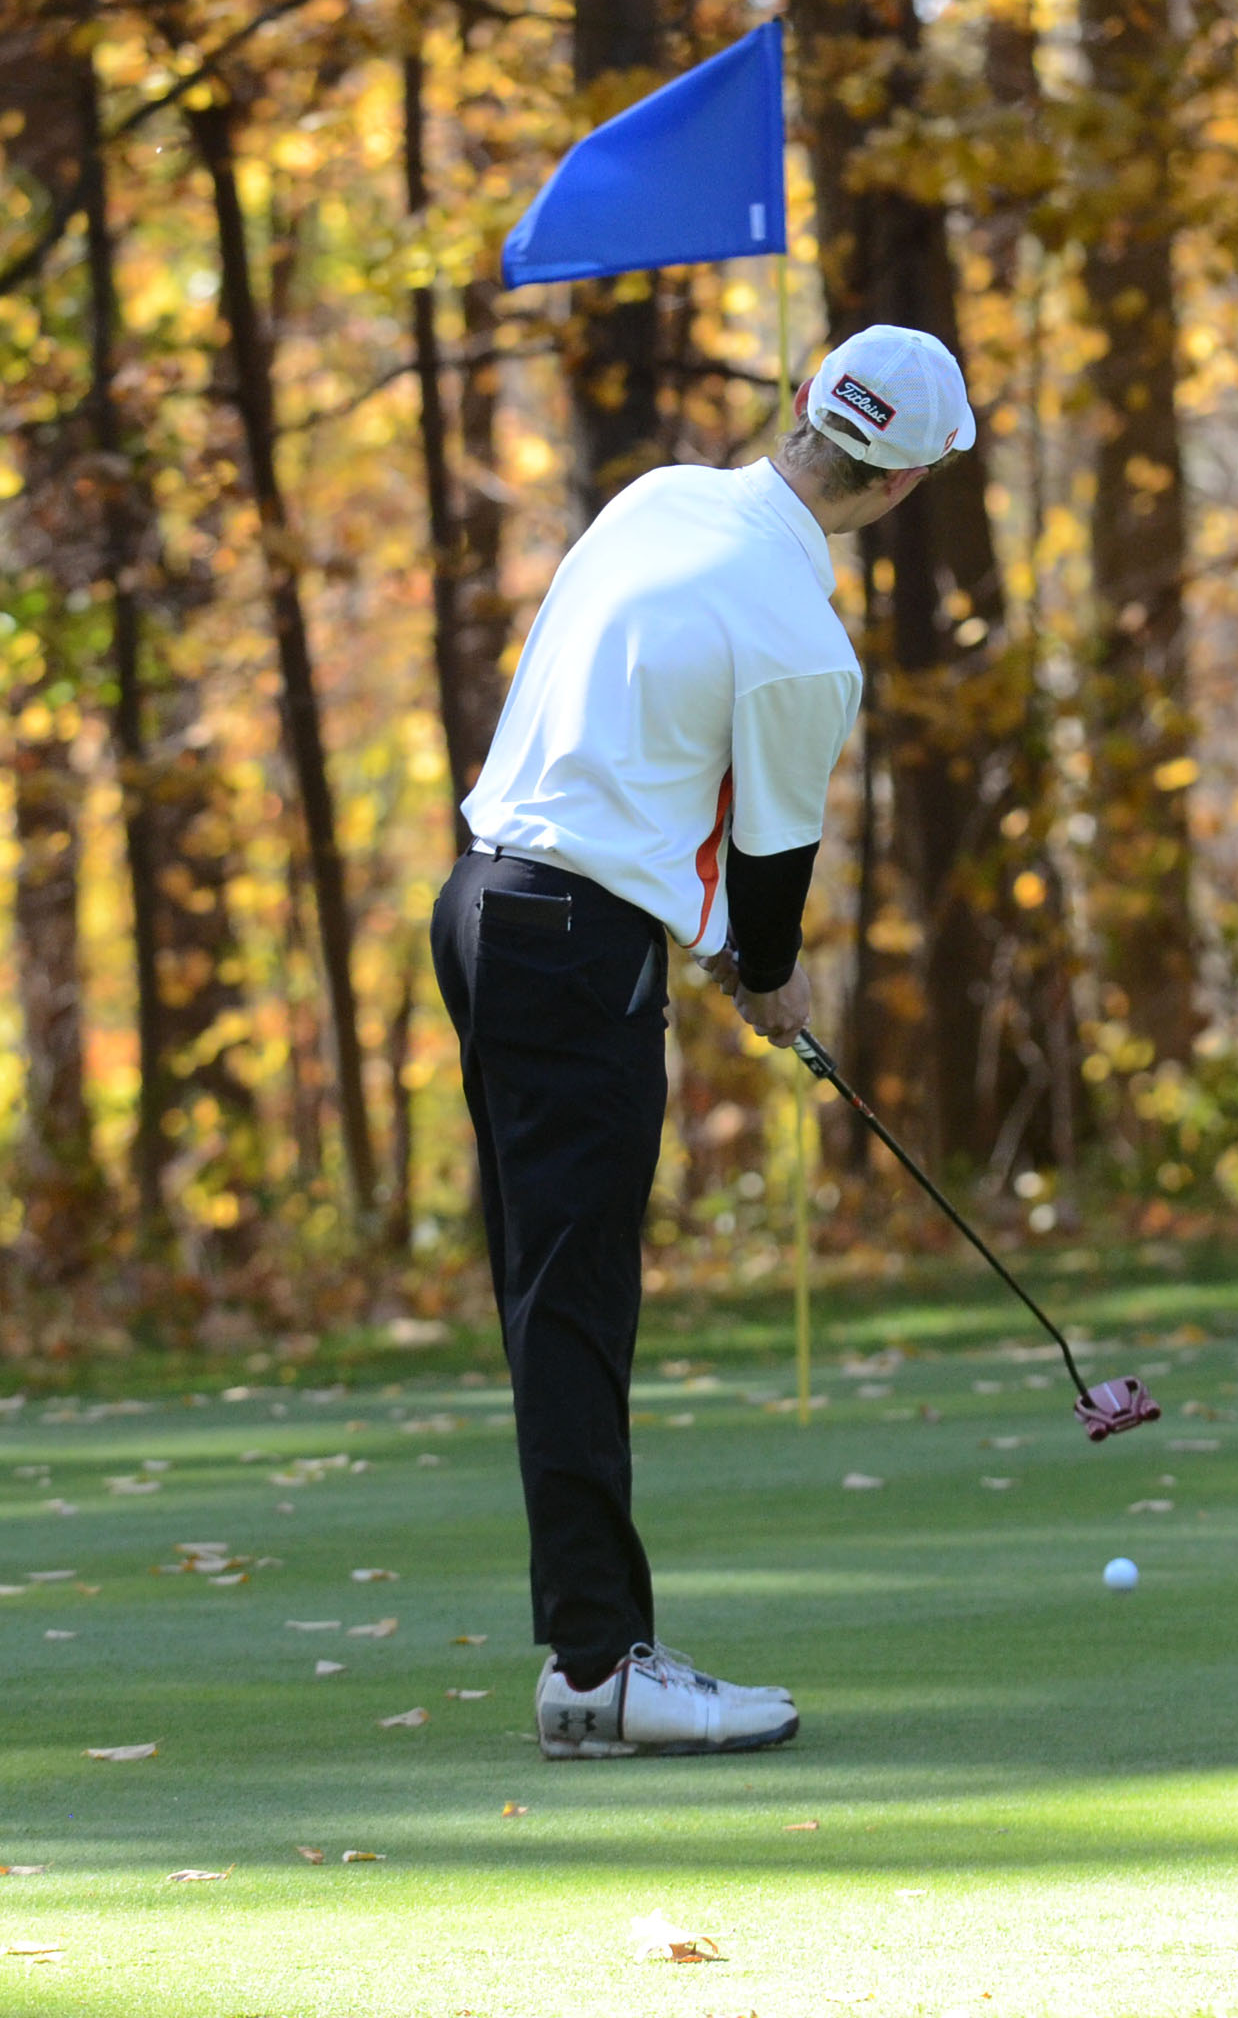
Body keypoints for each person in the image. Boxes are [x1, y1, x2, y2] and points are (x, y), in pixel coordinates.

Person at [430, 323, 975, 1759]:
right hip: (572, 945)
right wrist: (768, 976)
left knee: (553, 1295)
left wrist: (731, 947)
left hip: (478, 904)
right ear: (905, 484)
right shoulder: (807, 646)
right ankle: (600, 1669)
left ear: (801, 406)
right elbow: (773, 877)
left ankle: (592, 1654)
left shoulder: (657, 495)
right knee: (578, 1304)